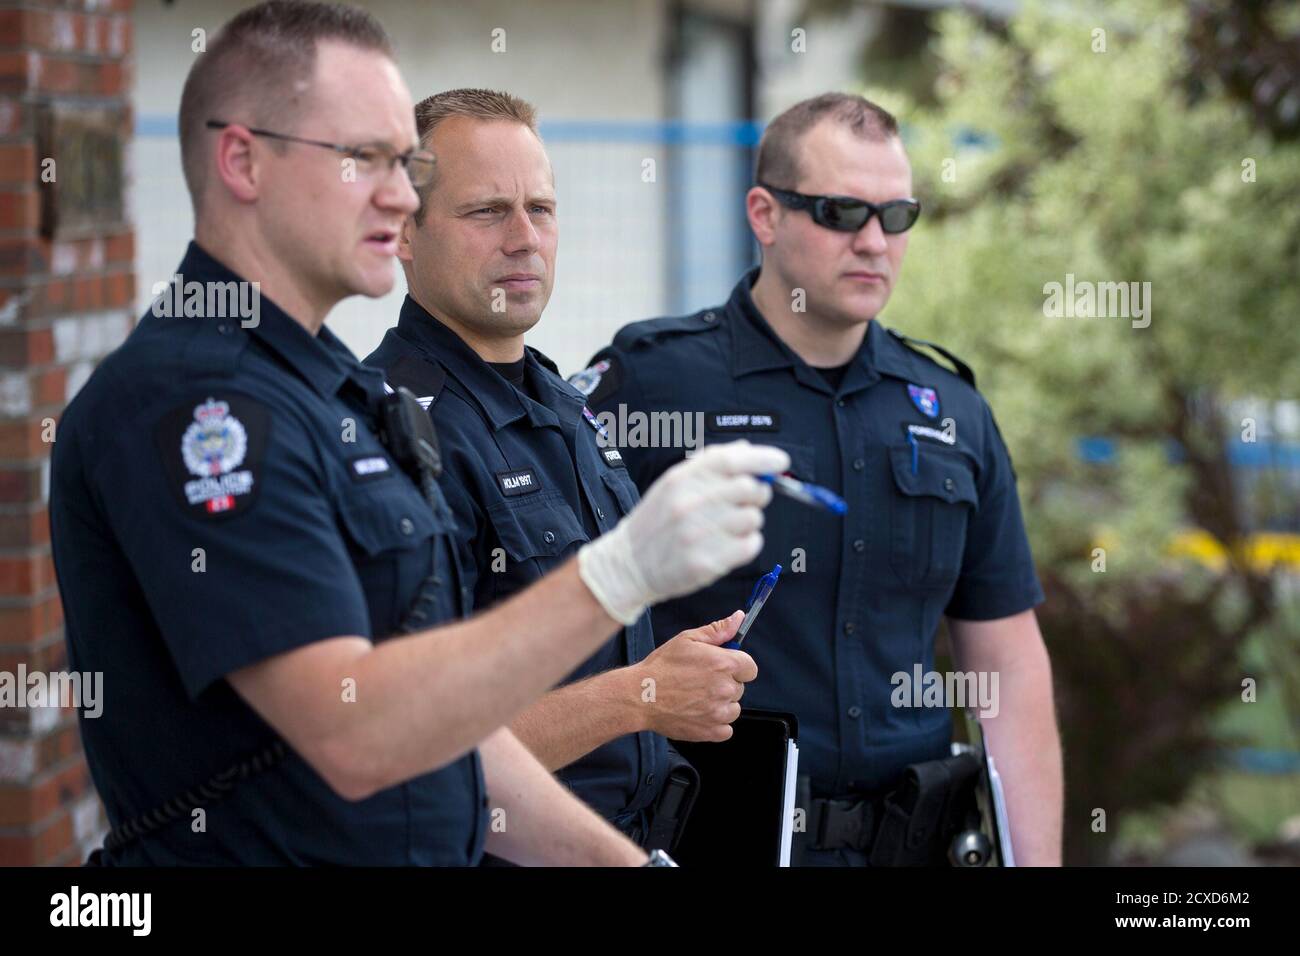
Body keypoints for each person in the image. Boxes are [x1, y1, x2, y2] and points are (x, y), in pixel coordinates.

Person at [48, 0, 786, 866]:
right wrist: (617, 580)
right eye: (367, 159)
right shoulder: (198, 407)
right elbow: (359, 736)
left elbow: (452, 729)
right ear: (242, 160)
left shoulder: (336, 395)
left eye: (404, 164)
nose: (399, 197)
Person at [581, 93, 1063, 866]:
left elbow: (1005, 658)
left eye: (895, 216)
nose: (874, 242)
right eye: (841, 212)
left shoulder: (950, 410)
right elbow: (562, 612)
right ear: (765, 215)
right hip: (713, 840)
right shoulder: (650, 382)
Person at [364, 88, 756, 851]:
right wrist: (641, 696)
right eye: (486, 212)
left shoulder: (567, 404)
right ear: (404, 232)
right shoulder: (395, 431)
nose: (524, 239)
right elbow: (412, 751)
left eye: (540, 210)